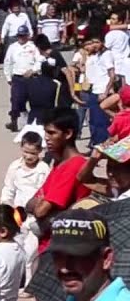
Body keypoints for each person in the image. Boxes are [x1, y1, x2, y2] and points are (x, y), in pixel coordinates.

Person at [29, 109, 91, 255]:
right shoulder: (60, 164)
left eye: (52, 133)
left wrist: (40, 203)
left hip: (60, 247)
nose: (46, 138)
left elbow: (40, 210)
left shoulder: (74, 166)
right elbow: (29, 203)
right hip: (50, 243)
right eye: (46, 133)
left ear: (68, 134)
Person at [0, 131, 50, 276]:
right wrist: (6, 208)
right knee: (16, 248)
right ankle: (16, 279)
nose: (28, 156)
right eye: (26, 151)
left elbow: (45, 192)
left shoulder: (43, 170)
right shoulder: (15, 167)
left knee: (30, 253)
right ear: (21, 147)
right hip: (17, 215)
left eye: (33, 153)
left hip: (35, 217)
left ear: (40, 151)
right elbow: (8, 189)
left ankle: (28, 285)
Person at [3, 26, 43, 132]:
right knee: (16, 101)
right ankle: (14, 121)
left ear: (27, 35)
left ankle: (33, 122)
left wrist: (33, 70)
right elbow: (7, 62)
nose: (21, 38)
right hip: (17, 77)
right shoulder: (12, 47)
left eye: (23, 36)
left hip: (31, 78)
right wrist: (8, 77)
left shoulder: (32, 47)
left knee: (33, 101)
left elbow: (39, 60)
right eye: (19, 36)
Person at [80, 35, 116, 148]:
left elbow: (112, 75)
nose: (94, 45)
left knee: (101, 121)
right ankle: (96, 144)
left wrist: (106, 92)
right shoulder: (97, 56)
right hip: (94, 90)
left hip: (102, 92)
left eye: (96, 42)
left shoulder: (107, 55)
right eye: (93, 42)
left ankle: (102, 145)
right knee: (94, 121)